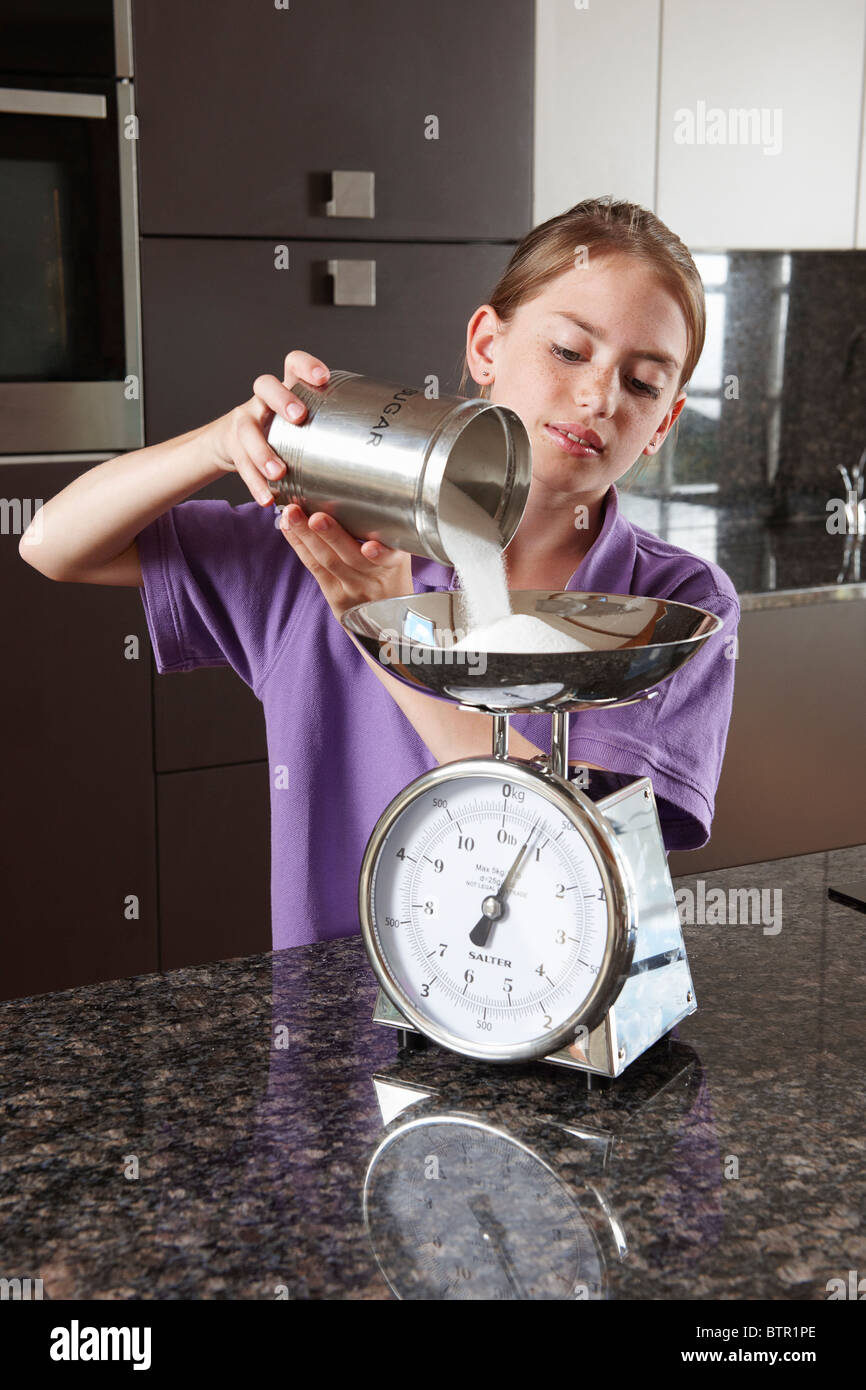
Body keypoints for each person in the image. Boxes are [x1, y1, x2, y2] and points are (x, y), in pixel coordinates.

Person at [20, 197, 740, 951]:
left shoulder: (677, 606)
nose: (598, 396)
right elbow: (53, 543)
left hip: (560, 1037)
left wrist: (397, 634)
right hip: (331, 1036)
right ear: (486, 345)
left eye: (643, 382)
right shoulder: (327, 546)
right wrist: (219, 443)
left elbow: (572, 848)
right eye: (567, 350)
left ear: (664, 423)